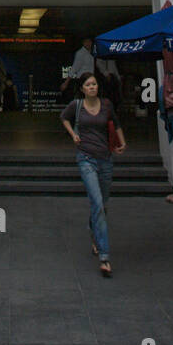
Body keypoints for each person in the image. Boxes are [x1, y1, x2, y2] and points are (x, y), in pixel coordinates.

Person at [61, 70, 126, 277]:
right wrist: (73, 135)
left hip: (105, 158)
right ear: (82, 88)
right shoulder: (77, 106)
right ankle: (105, 256)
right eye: (88, 85)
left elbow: (116, 124)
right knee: (97, 203)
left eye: (94, 84)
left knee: (102, 204)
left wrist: (122, 142)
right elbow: (64, 118)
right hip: (86, 158)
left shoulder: (106, 105)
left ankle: (93, 231)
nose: (92, 87)